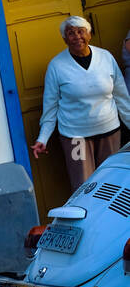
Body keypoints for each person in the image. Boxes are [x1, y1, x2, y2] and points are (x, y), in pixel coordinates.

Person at [32, 15, 130, 189]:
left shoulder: (105, 57)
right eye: (71, 33)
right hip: (76, 136)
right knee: (84, 185)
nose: (77, 36)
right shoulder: (57, 66)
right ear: (64, 39)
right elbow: (50, 106)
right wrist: (43, 138)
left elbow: (121, 96)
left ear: (89, 34)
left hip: (109, 131)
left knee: (112, 182)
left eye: (80, 31)